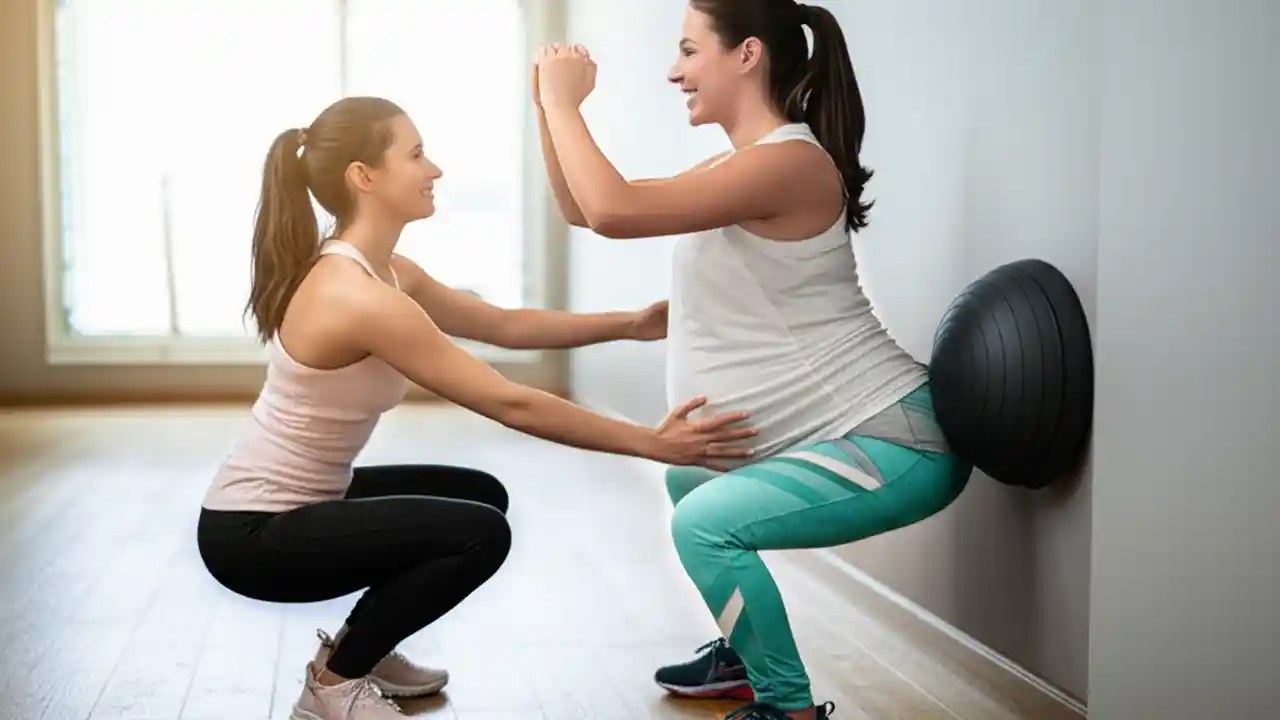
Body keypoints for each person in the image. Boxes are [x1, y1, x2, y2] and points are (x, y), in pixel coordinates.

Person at [196, 96, 759, 720]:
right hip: (252, 536)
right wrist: (653, 444)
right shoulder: (356, 296)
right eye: (415, 155)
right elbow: (508, 401)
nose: (433, 169)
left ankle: (365, 646)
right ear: (364, 177)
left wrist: (632, 322)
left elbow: (501, 323)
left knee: (481, 495)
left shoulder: (384, 271)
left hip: (304, 502)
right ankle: (331, 687)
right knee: (480, 535)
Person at [532, 2, 974, 719]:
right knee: (691, 471)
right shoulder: (746, 165)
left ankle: (788, 709)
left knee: (701, 523)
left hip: (896, 441)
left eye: (687, 51)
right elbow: (586, 211)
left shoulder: (791, 164)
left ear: (746, 55)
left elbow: (613, 210)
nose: (674, 72)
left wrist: (562, 103)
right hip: (864, 434)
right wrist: (547, 112)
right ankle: (744, 656)